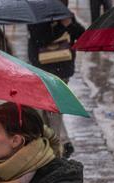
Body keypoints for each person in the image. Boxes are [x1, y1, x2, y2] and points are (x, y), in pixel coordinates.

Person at [27, 12, 85, 157]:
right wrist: (61, 27)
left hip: (62, 70)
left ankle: (57, 147)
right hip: (43, 70)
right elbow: (39, 39)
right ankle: (59, 144)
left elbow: (81, 35)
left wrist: (69, 24)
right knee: (49, 110)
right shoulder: (36, 15)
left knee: (53, 110)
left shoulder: (64, 14)